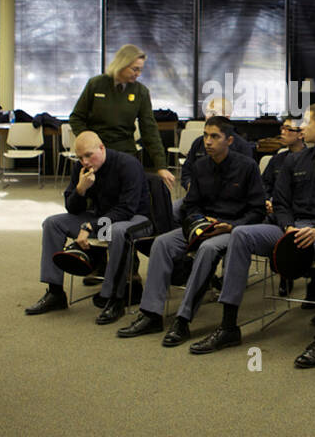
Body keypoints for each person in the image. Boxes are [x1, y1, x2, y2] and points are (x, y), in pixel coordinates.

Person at [189, 103, 315, 367]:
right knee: (242, 235)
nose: (301, 127)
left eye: (305, 122)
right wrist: (289, 226)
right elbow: (281, 202)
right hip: (289, 227)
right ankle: (228, 327)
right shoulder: (293, 160)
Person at [116, 117, 265, 345]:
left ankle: (182, 320)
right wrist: (198, 221)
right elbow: (191, 204)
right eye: (205, 135)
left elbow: (257, 210)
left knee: (206, 249)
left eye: (214, 136)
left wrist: (231, 226)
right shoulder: (200, 166)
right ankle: (151, 314)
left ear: (230, 140)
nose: (207, 141)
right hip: (202, 225)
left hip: (231, 228)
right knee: (162, 243)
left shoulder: (247, 167)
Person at [27, 131, 149, 324]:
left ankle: (115, 299)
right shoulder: (81, 168)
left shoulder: (127, 165)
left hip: (135, 219)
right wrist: (80, 189)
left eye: (89, 155)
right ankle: (55, 292)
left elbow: (127, 209)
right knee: (52, 223)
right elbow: (72, 208)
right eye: (79, 157)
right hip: (100, 220)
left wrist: (90, 226)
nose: (84, 162)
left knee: (118, 232)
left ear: (102, 148)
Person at [69, 43, 175, 189]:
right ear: (122, 64)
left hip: (125, 154)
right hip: (97, 154)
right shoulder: (96, 84)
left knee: (126, 197)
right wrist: (89, 141)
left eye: (140, 70)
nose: (138, 74)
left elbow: (149, 130)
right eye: (135, 69)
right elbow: (76, 117)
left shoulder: (141, 92)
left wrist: (161, 166)